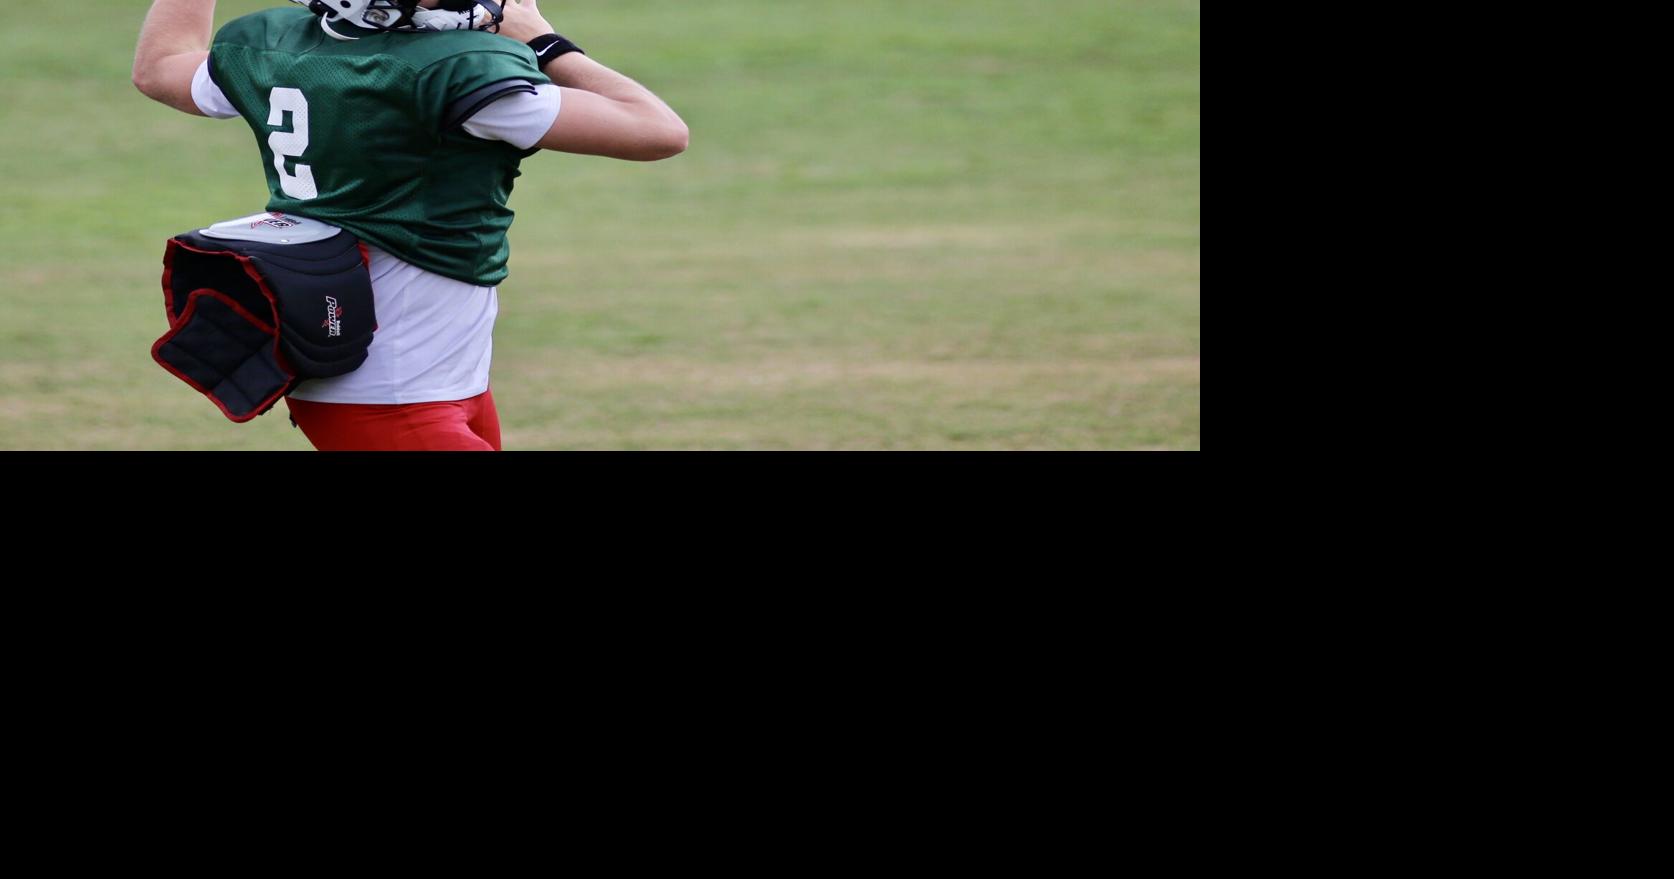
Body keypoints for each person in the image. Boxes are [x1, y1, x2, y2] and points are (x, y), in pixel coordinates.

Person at [132, 0, 688, 450]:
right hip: (396, 398)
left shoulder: (271, 43)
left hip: (423, 378)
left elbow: (161, 67)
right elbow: (659, 131)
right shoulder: (450, 71)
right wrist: (547, 43)